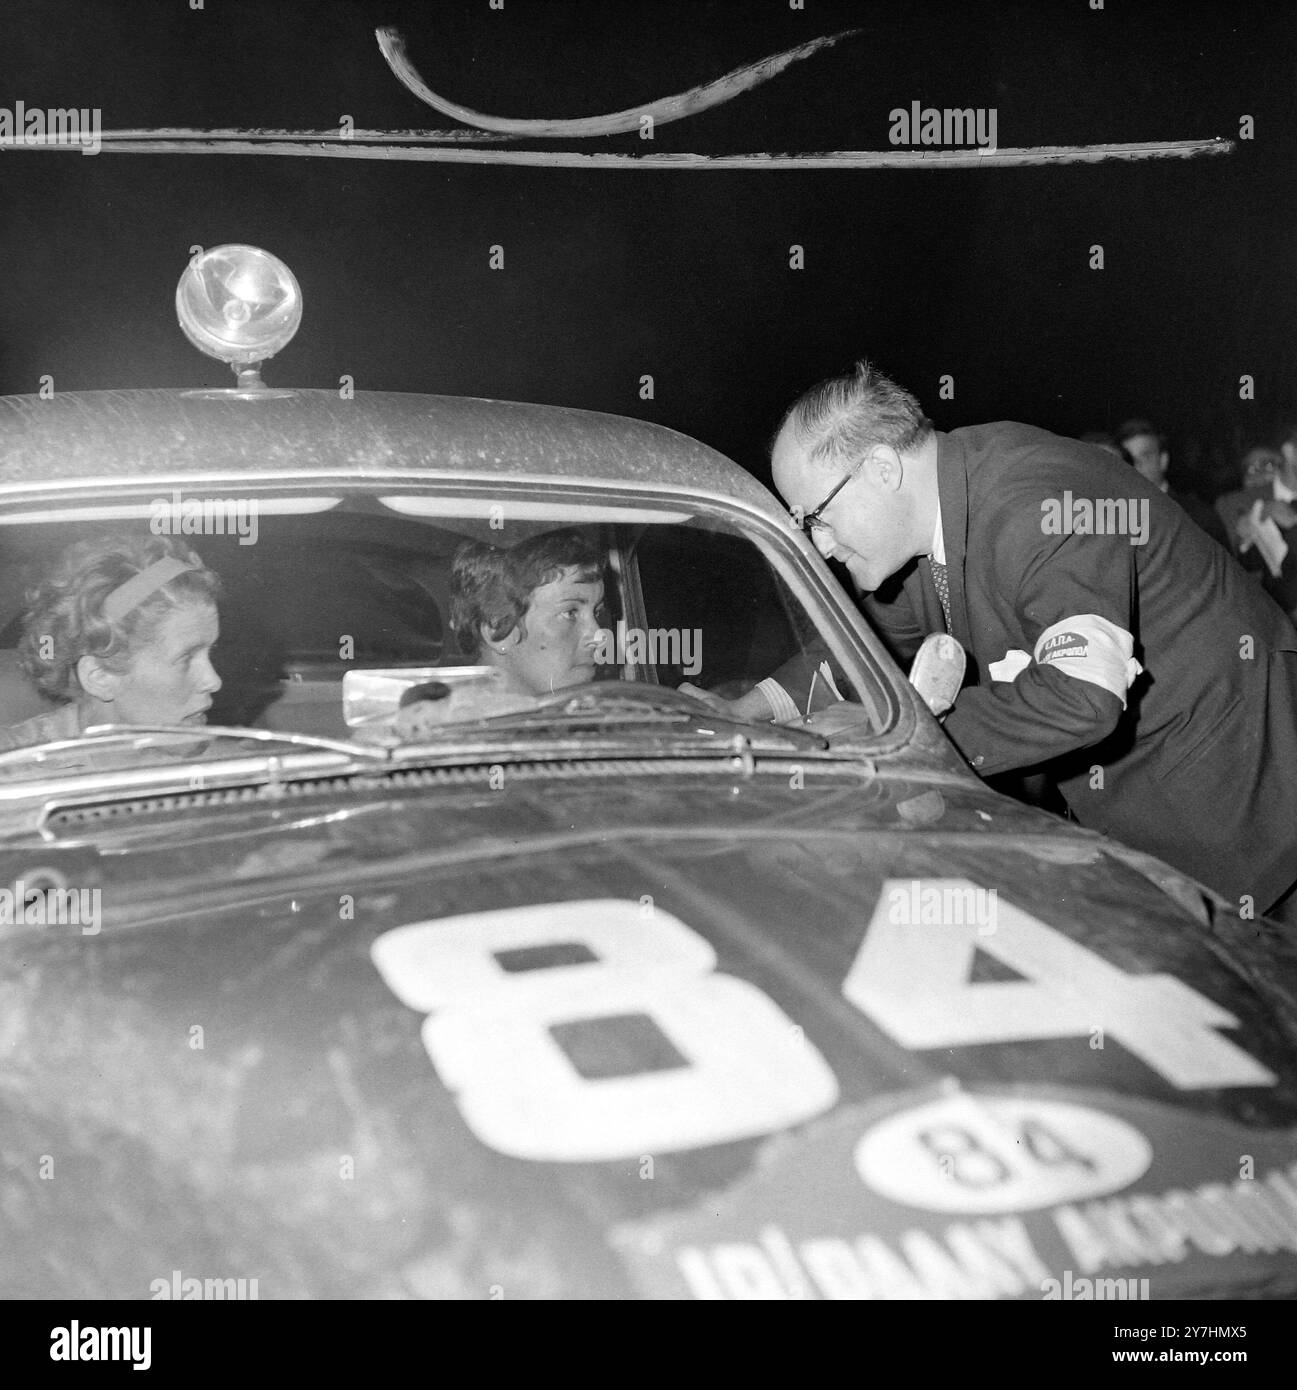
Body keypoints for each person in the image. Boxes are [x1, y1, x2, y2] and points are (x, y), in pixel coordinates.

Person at [728, 361, 1297, 914]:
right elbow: (855, 650)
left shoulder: (1033, 499)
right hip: (1160, 805)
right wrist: (743, 713)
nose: (819, 547)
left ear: (881, 468)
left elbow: (1083, 691)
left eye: (817, 517)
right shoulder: (926, 532)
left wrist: (898, 738)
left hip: (1251, 802)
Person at [0, 533, 222, 755]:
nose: (213, 681)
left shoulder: (227, 765)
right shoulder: (12, 768)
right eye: (186, 658)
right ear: (100, 677)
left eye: (210, 652)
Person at [1214, 438, 1297, 621]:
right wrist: (1243, 539)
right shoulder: (1233, 506)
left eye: (1267, 464)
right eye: (1250, 469)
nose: (1258, 474)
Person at [1116, 417, 1230, 548]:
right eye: (1129, 459)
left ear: (1163, 460)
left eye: (1146, 456)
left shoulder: (1197, 518)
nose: (1137, 466)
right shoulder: (1112, 522)